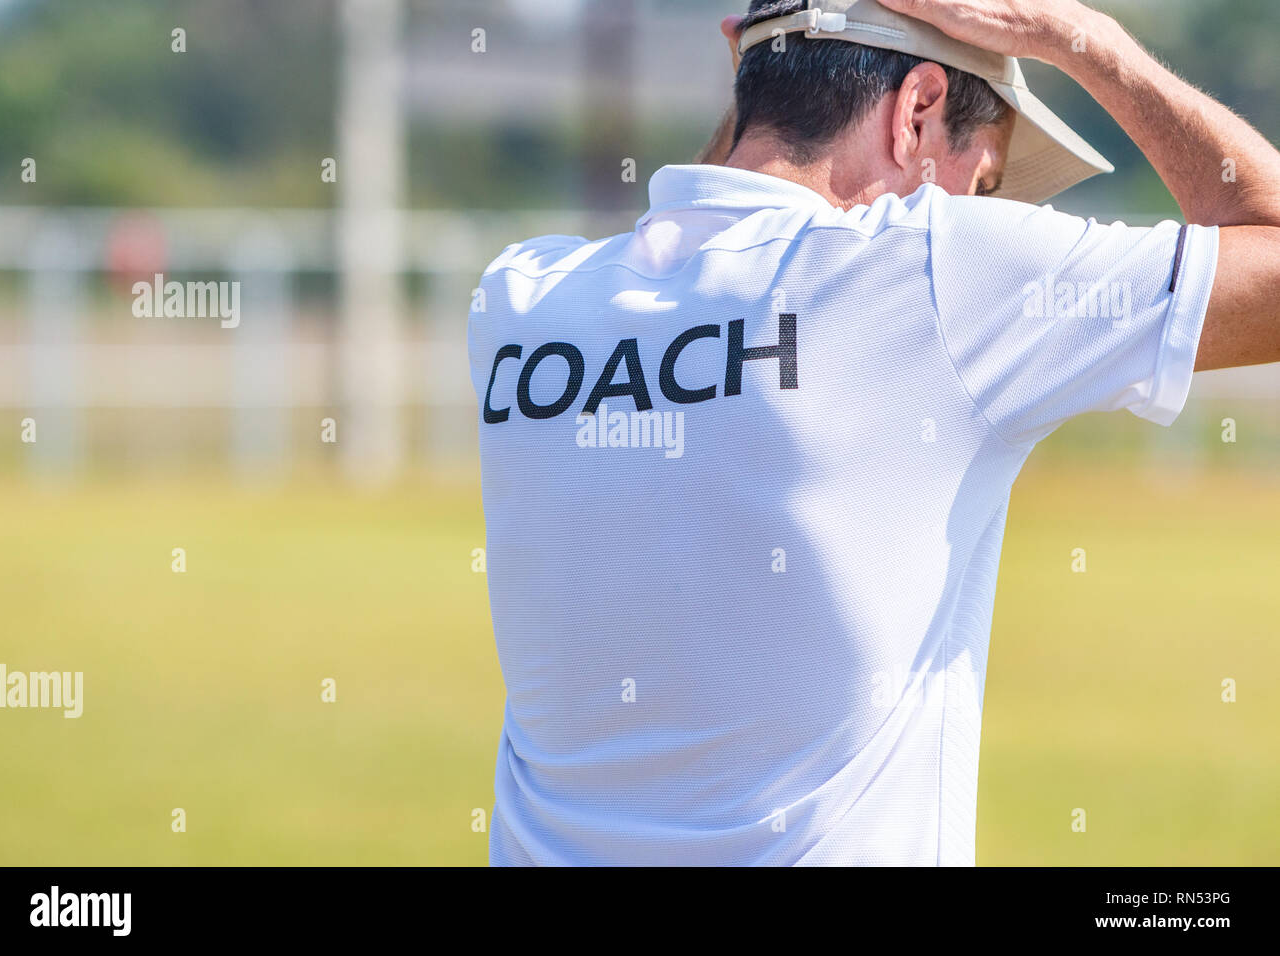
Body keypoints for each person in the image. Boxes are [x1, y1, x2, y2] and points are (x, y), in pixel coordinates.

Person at [467, 0, 1280, 865]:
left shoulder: (524, 301)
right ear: (916, 112)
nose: (980, 200)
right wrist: (1080, 38)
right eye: (989, 176)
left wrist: (763, 67)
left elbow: (726, 216)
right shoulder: (934, 267)